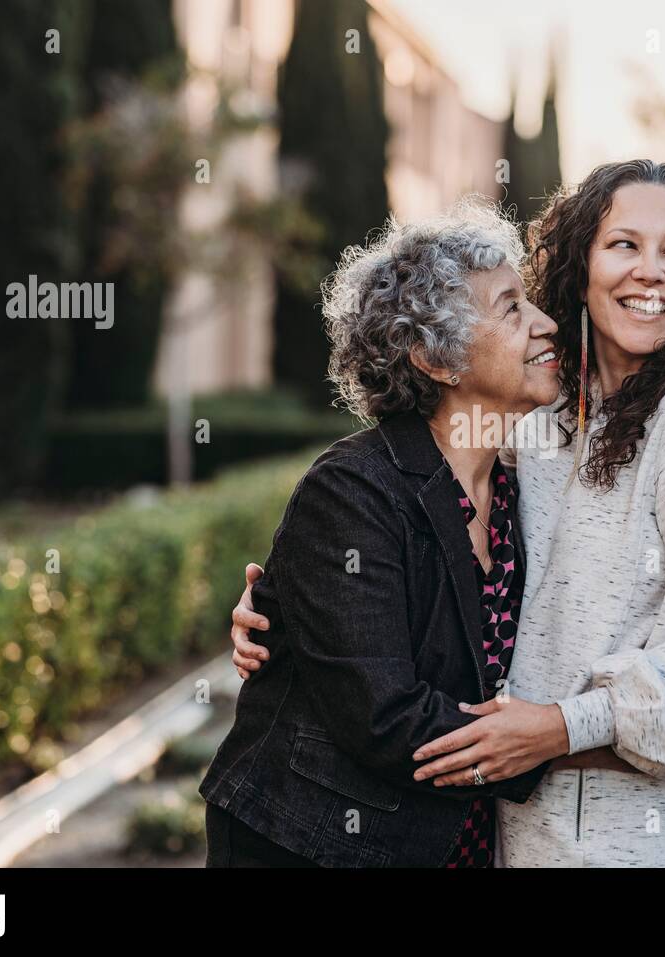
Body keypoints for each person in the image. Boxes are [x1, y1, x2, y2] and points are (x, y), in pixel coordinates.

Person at [233, 160, 665, 866]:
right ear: (581, 265)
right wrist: (287, 614)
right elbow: (407, 577)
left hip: (620, 841)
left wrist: (560, 727)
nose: (652, 272)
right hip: (500, 830)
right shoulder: (539, 424)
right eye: (624, 245)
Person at [201, 203, 573, 867]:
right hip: (308, 844)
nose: (546, 325)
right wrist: (571, 738)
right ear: (435, 357)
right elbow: (387, 720)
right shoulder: (352, 493)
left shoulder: (518, 488)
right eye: (512, 308)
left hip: (447, 842)